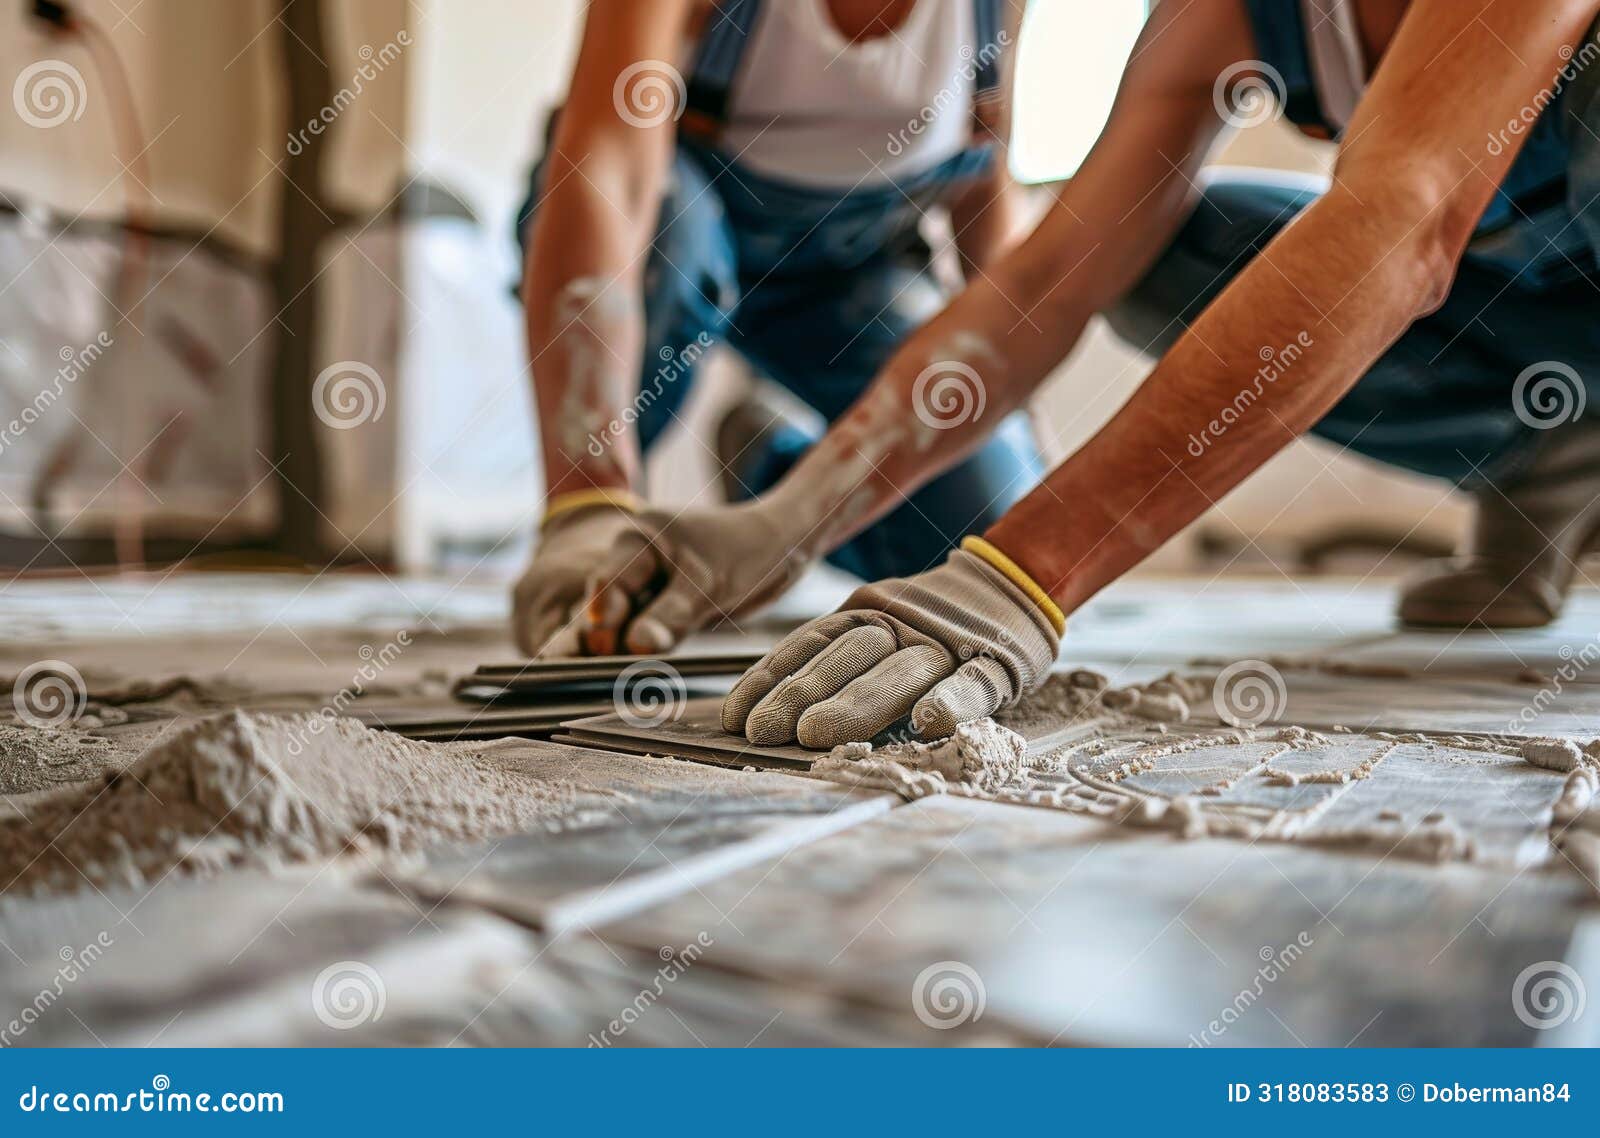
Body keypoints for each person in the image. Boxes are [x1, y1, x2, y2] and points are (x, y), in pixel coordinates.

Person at [576, 0, 1600, 749]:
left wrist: (1026, 574)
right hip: (1549, 319)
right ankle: (1546, 453)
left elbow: (1402, 222)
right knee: (1163, 252)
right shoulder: (1227, 20)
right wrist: (792, 515)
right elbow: (1050, 279)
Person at [512, 0, 1039, 657]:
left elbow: (986, 177)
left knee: (978, 528)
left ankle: (765, 462)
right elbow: (613, 170)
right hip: (678, 228)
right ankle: (611, 552)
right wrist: (583, 500)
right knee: (667, 254)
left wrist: (1013, 408)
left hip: (849, 275)